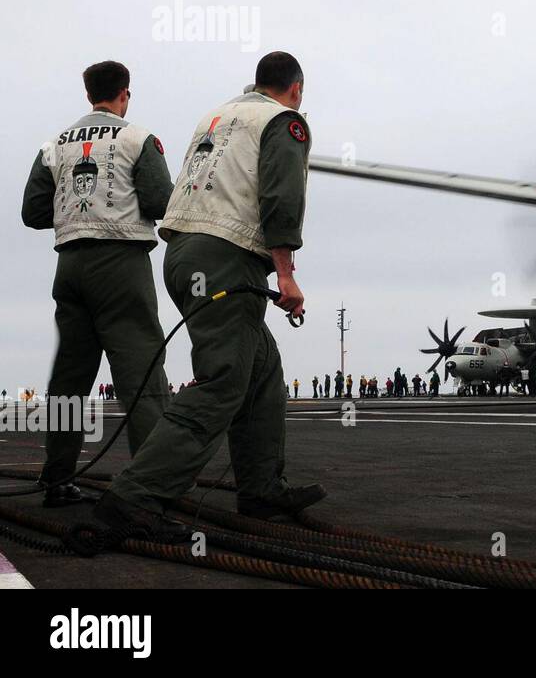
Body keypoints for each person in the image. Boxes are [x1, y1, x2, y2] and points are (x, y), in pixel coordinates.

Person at [92, 52, 323, 543]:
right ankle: (135, 498)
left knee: (260, 365)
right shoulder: (285, 121)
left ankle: (261, 490)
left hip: (184, 254)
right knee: (222, 380)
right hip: (225, 255)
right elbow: (282, 198)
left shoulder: (216, 117)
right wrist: (286, 277)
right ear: (296, 89)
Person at [21, 61, 173, 508]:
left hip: (69, 266)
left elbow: (32, 212)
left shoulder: (54, 146)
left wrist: (77, 215)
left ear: (88, 94)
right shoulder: (137, 138)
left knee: (69, 377)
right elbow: (159, 200)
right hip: (121, 263)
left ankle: (58, 479)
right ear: (125, 93)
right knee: (141, 374)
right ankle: (149, 491)